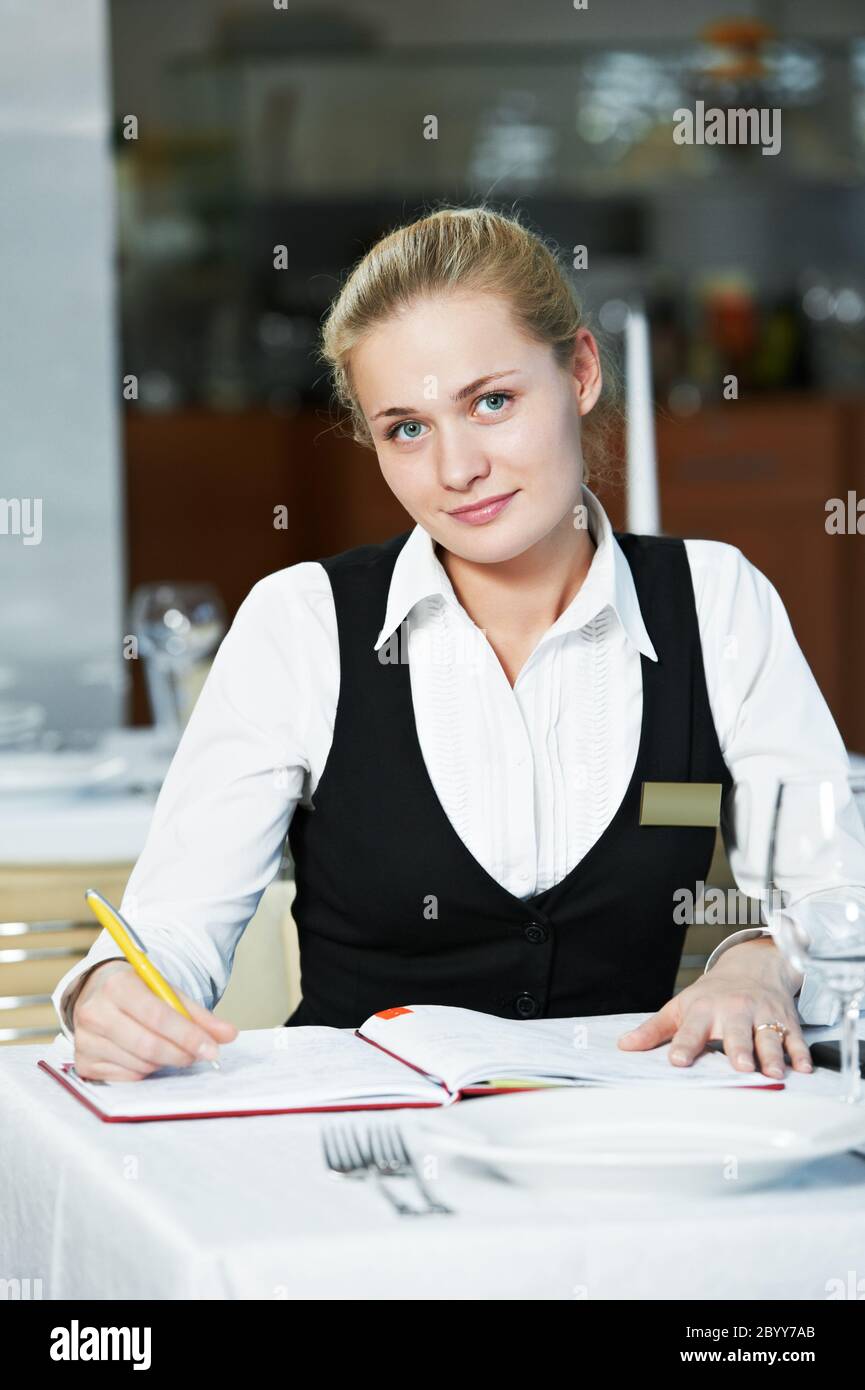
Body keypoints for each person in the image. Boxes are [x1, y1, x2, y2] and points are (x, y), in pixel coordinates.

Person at [54, 205, 851, 1084]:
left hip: (618, 1149)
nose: (455, 469)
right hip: (354, 1148)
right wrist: (114, 989)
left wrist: (754, 960)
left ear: (581, 371)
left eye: (493, 402)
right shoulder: (302, 623)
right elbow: (172, 927)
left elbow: (831, 893)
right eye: (406, 427)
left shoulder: (715, 601)